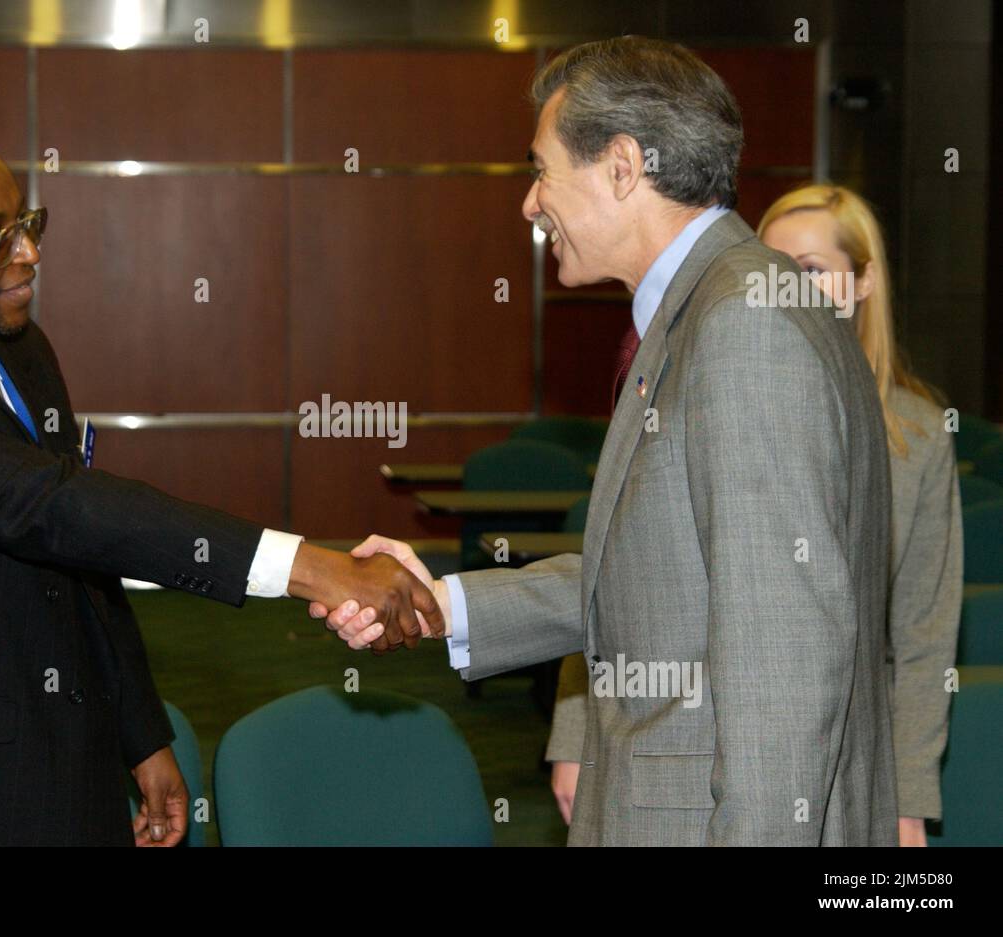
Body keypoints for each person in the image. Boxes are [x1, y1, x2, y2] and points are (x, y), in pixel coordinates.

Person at [0, 132, 441, 846]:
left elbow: (77, 552)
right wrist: (309, 565)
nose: (28, 254)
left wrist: (139, 732)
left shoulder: (15, 343)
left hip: (49, 756)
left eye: (27, 224)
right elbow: (51, 505)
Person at [316, 36, 899, 845]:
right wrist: (443, 601)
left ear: (623, 165)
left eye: (542, 169)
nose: (529, 202)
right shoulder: (716, 309)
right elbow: (665, 573)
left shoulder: (743, 326)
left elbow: (783, 663)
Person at [758, 185, 961, 846]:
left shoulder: (920, 436)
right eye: (772, 272)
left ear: (864, 280)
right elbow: (632, 576)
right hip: (719, 748)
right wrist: (577, 731)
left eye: (811, 272)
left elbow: (924, 638)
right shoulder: (710, 406)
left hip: (855, 763)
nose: (787, 291)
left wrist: (908, 799)